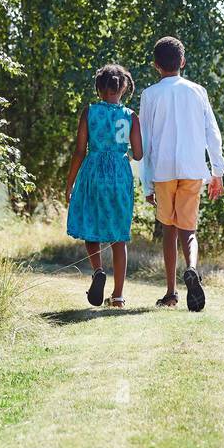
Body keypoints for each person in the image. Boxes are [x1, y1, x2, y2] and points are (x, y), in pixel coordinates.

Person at [138, 36, 224, 311]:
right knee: (189, 230)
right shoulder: (198, 91)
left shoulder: (150, 95)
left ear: (155, 66)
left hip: (163, 171)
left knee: (169, 230)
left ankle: (171, 293)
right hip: (192, 169)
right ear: (183, 62)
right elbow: (212, 132)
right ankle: (192, 267)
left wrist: (146, 183)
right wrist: (217, 171)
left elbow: (145, 140)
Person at [65, 63, 143, 308]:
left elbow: (79, 151)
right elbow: (139, 154)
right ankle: (118, 296)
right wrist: (121, 152)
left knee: (91, 226)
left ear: (99, 88)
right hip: (119, 174)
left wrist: (70, 183)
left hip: (93, 172)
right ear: (124, 88)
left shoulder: (89, 112)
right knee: (118, 235)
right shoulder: (130, 116)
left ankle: (98, 270)